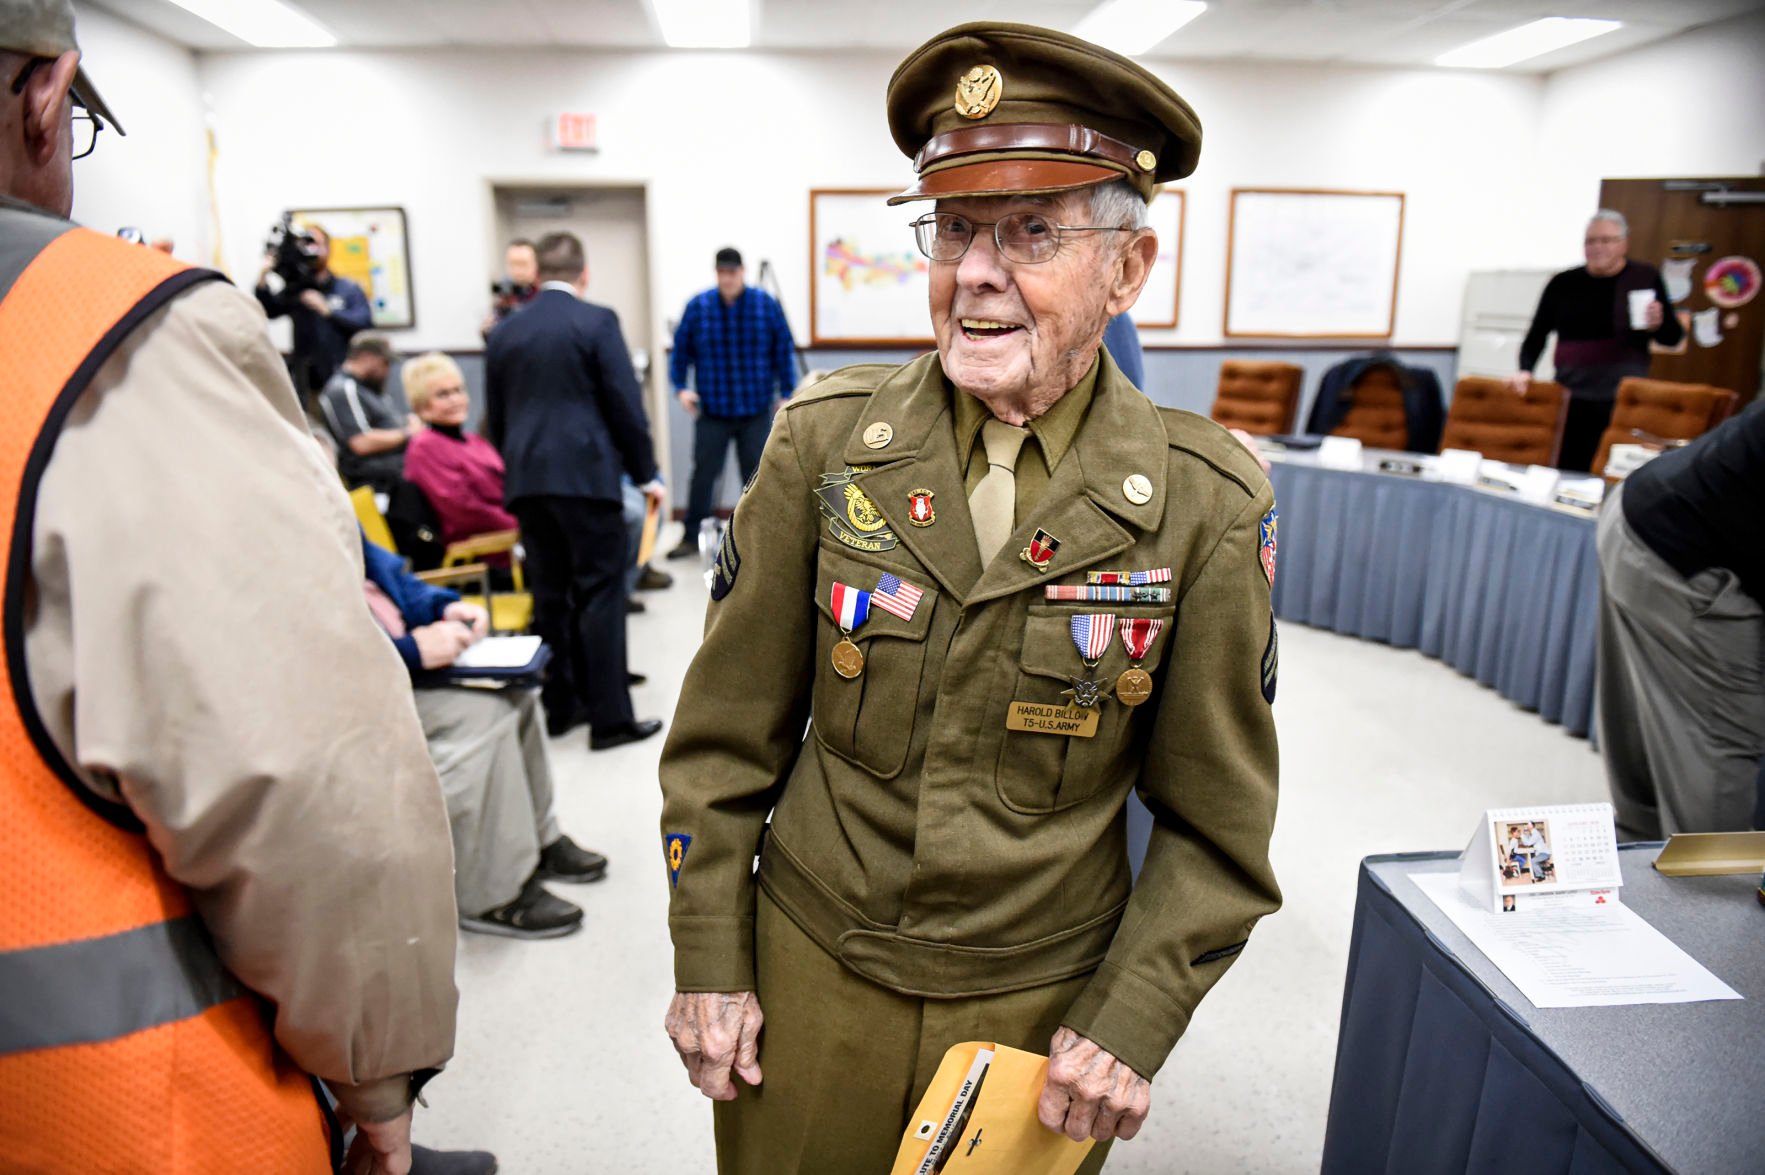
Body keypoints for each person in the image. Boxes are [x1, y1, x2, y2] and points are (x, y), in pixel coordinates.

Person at [659, 23, 1281, 1172]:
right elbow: (718, 744)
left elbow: (1216, 828)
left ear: (1127, 271)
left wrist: (1131, 1019)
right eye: (953, 228)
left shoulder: (1205, 503)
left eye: (1032, 231)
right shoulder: (825, 447)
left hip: (1039, 1003)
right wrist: (709, 951)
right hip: (811, 974)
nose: (977, 272)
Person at [0, 7, 483, 1172]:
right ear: (48, 95)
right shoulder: (106, 339)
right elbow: (301, 771)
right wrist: (379, 1079)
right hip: (104, 1114)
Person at [358, 531, 609, 938]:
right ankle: (489, 893)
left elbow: (390, 578)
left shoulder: (329, 503)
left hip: (404, 663)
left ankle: (538, 841)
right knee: (482, 715)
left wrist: (445, 606)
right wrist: (407, 650)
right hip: (366, 688)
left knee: (517, 695)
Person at [485, 230, 666, 749]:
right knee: (601, 595)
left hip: (528, 482)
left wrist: (519, 466)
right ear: (584, 274)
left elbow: (496, 418)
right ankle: (610, 719)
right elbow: (624, 407)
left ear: (537, 276)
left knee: (550, 597)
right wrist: (646, 470)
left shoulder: (504, 332)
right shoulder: (597, 321)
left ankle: (561, 707)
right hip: (586, 481)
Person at [1596, 401, 1764, 839]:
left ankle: (1646, 875)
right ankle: (1710, 901)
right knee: (1718, 746)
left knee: (1646, 763)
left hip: (1642, 508)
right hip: (1680, 550)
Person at [1507, 210, 1685, 473]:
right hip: (1570, 396)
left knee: (1611, 471)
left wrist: (1659, 324)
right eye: (1591, 241)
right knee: (1566, 469)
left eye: (1606, 240)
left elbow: (1672, 338)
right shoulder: (1563, 283)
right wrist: (1525, 370)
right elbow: (1536, 334)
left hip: (1621, 399)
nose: (1597, 247)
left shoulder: (1644, 277)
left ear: (1624, 243)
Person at [665, 246, 797, 560]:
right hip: (712, 409)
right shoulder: (698, 307)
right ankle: (690, 535)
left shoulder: (765, 306)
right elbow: (680, 353)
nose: (727, 279)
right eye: (722, 273)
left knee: (757, 475)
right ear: (717, 273)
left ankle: (758, 537)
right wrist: (681, 389)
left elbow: (783, 351)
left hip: (755, 409)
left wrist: (787, 393)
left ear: (742, 271)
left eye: (732, 273)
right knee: (703, 475)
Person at [402, 351, 518, 550]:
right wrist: (521, 525)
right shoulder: (424, 448)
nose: (455, 400)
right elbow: (466, 512)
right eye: (443, 395)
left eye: (459, 390)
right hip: (480, 550)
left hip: (510, 537)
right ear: (421, 406)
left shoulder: (475, 441)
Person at [255, 220, 373, 399]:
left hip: (343, 376)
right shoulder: (297, 290)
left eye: (314, 243)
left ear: (328, 248)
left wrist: (328, 311)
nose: (309, 248)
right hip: (307, 382)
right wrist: (263, 277)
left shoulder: (347, 289)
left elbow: (364, 323)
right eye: (305, 244)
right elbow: (268, 311)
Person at [320, 332, 415, 494]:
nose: (388, 369)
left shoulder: (370, 388)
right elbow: (361, 442)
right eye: (385, 362)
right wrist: (409, 433)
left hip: (394, 468)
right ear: (367, 358)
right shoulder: (344, 389)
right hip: (377, 478)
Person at [481, 236, 539, 338]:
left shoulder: (544, 293)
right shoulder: (505, 292)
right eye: (512, 264)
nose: (517, 271)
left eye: (522, 264)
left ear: (536, 264)